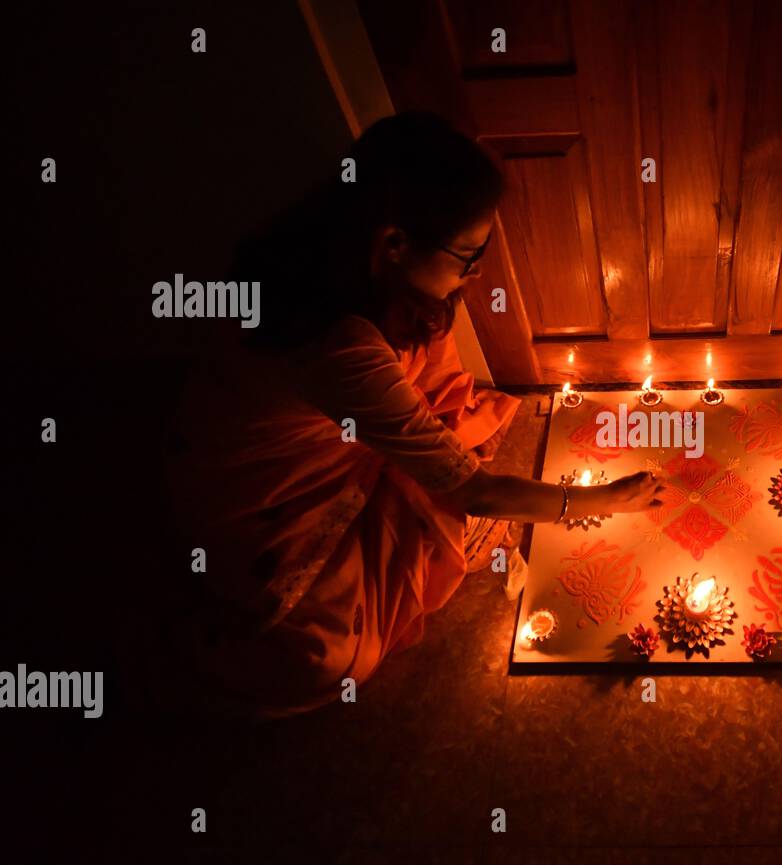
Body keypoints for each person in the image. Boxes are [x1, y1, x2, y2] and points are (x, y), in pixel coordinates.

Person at [158, 112, 665, 719]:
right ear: (394, 243)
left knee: (442, 420)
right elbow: (476, 491)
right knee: (328, 658)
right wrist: (602, 501)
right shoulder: (339, 344)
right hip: (266, 496)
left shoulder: (344, 261)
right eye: (467, 256)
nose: (476, 273)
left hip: (324, 419)